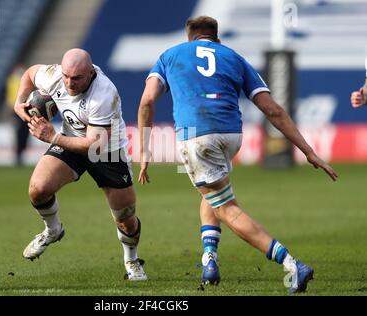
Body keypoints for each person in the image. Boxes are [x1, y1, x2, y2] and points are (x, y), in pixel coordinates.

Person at [137, 16, 338, 293]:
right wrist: (309, 152)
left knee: (226, 208)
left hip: (197, 135)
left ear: (190, 39)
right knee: (212, 192)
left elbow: (147, 101)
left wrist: (145, 150)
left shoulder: (170, 55)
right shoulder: (234, 57)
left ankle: (292, 264)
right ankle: (209, 259)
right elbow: (273, 110)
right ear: (217, 40)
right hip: (231, 136)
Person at [13, 48, 147, 281]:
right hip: (70, 140)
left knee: (125, 218)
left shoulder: (104, 94)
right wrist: (18, 103)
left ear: (91, 73)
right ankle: (53, 230)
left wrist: (51, 137)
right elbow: (30, 74)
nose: (69, 82)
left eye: (76, 78)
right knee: (38, 189)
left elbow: (95, 145)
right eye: (66, 76)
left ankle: (132, 260)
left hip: (107, 152)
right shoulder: (54, 76)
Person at [7, 64, 30, 166]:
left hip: (26, 108)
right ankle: (18, 155)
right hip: (16, 110)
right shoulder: (12, 80)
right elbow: (10, 96)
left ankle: (21, 153)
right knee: (18, 132)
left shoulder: (26, 80)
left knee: (26, 132)